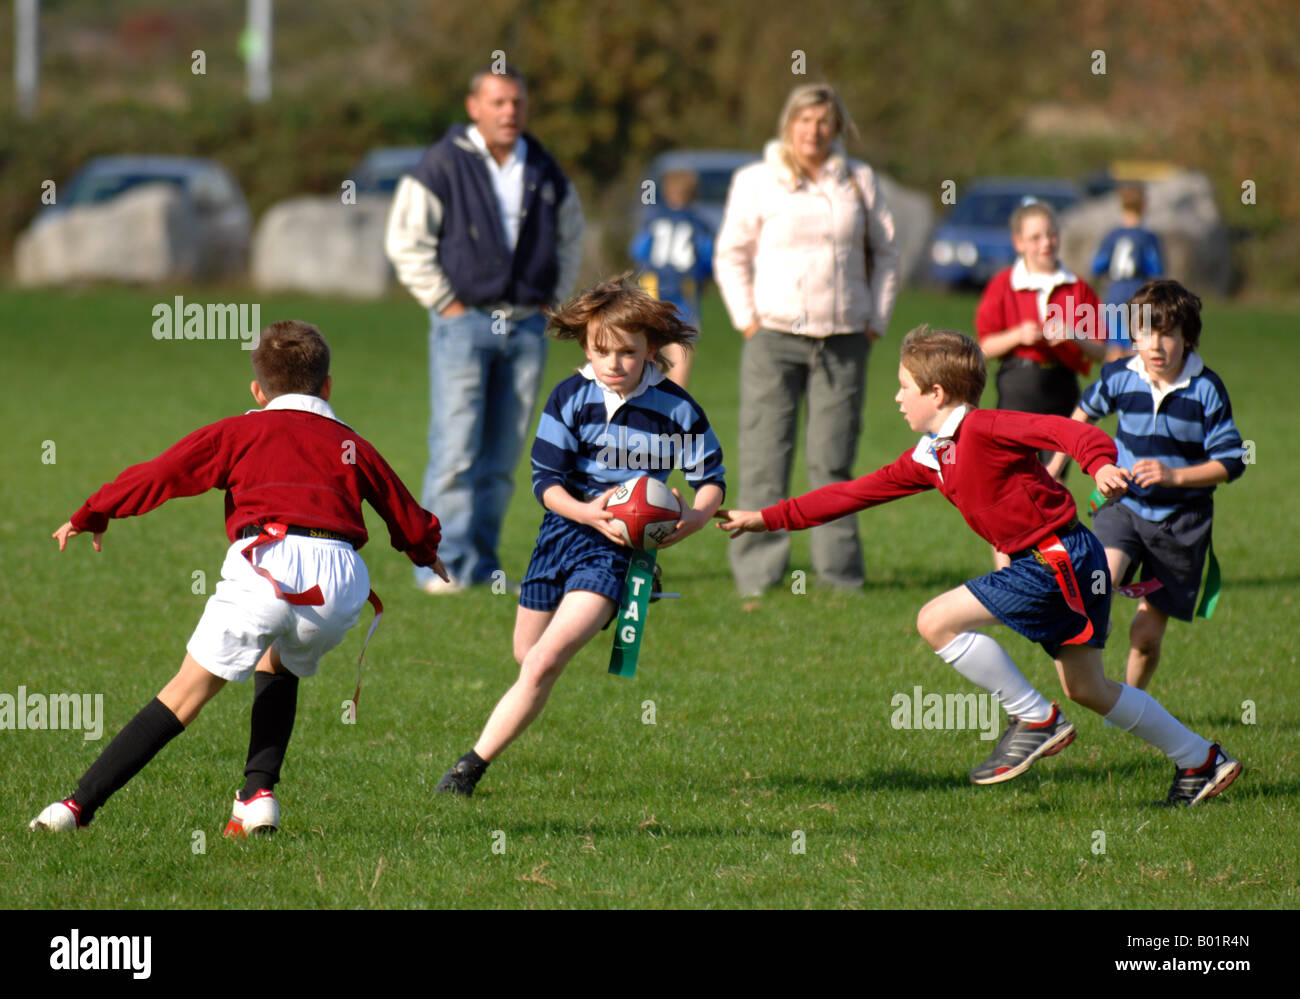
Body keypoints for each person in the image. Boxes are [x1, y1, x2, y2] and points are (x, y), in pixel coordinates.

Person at [718, 326, 1241, 807]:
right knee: (1088, 689)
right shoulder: (929, 457)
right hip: (1063, 563)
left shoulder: (988, 426)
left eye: (905, 387)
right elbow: (852, 494)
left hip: (1058, 559)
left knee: (935, 620)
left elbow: (1073, 434)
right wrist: (764, 518)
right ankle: (1201, 760)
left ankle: (1035, 719)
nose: (897, 397)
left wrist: (1100, 464)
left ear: (937, 394)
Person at [29, 321, 447, 834]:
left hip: (267, 563)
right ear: (328, 385)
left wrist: (96, 510)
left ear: (257, 390)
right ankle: (257, 796)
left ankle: (73, 809)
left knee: (185, 695)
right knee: (281, 661)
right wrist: (427, 553)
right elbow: (404, 512)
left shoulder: (240, 430)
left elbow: (162, 475)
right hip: (339, 584)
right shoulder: (351, 443)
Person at [433, 277, 725, 797]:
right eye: (601, 350)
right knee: (528, 656)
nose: (613, 363)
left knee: (543, 662)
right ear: (586, 344)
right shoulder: (569, 396)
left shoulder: (678, 409)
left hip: (618, 553)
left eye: (628, 352)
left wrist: (696, 519)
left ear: (651, 350)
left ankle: (466, 771)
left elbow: (710, 481)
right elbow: (545, 483)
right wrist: (588, 512)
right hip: (563, 531)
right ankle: (567, 637)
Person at [385, 63, 584, 594]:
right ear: (474, 106)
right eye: (497, 102)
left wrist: (554, 303)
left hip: (525, 328)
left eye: (516, 102)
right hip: (463, 324)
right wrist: (444, 302)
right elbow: (406, 240)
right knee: (455, 448)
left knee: (503, 455)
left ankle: (484, 564)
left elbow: (570, 237)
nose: (509, 111)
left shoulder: (543, 166)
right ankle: (443, 566)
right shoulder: (443, 163)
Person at [714, 81, 899, 598]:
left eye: (823, 121)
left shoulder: (859, 180)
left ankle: (839, 578)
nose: (813, 131)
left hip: (843, 339)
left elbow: (886, 253)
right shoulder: (755, 181)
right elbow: (730, 253)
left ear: (837, 126)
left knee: (832, 461)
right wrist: (748, 321)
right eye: (804, 120)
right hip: (772, 337)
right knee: (764, 457)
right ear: (787, 125)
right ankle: (757, 576)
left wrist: (875, 320)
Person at [1048, 280, 1245, 690]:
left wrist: (1174, 476)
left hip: (1180, 524)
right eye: (1144, 333)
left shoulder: (1207, 390)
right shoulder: (1121, 375)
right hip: (1124, 506)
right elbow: (1082, 414)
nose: (1155, 345)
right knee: (1101, 578)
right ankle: (1085, 683)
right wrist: (1055, 466)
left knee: (1145, 640)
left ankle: (1129, 706)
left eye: (1167, 334)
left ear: (1187, 338)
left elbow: (1232, 461)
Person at [975, 199, 1109, 567]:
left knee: (1054, 484)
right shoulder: (1004, 285)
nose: (1046, 243)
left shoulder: (1075, 288)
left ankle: (1054, 569)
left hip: (1061, 388)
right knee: (1009, 485)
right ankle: (1007, 572)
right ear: (1019, 242)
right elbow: (983, 345)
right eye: (1035, 237)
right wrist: (1019, 334)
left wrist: (1072, 336)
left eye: (1050, 234)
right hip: (1017, 385)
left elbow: (1102, 352)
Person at [628, 168, 715, 388]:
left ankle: (646, 392)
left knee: (648, 342)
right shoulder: (699, 223)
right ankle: (676, 396)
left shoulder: (653, 219)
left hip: (652, 288)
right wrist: (704, 279)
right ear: (695, 194)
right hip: (684, 287)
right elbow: (708, 256)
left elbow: (638, 250)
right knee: (680, 345)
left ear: (666, 192)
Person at [1091, 183, 1164, 349]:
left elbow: (1097, 265)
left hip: (1114, 295)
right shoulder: (1148, 238)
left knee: (1113, 350)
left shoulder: (1112, 236)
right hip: (1138, 295)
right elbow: (1155, 268)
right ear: (1145, 206)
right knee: (1137, 348)